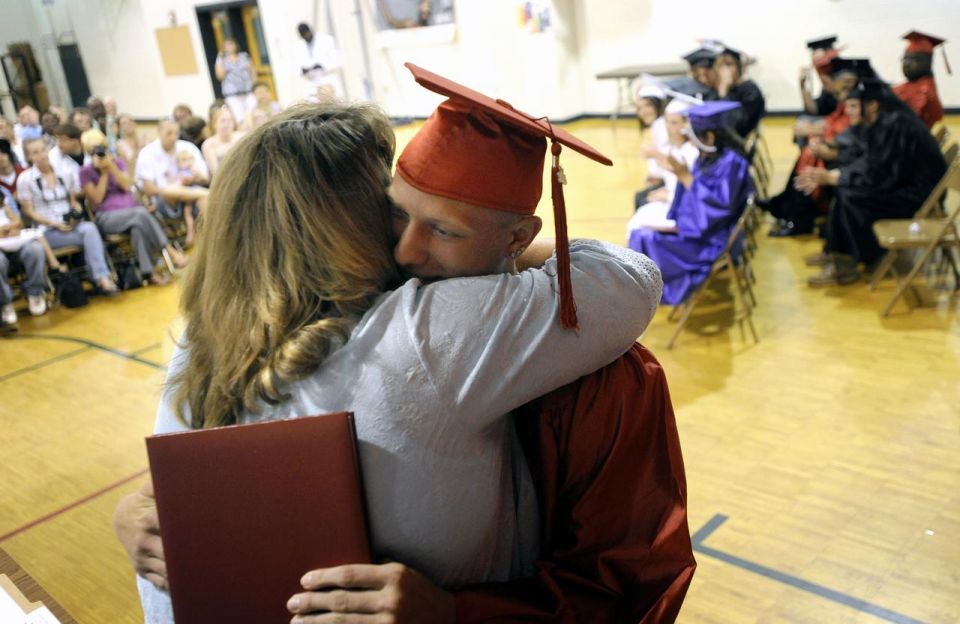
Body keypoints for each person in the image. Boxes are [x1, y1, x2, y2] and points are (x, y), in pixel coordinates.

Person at [117, 70, 687, 622]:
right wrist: (513, 255)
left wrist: (143, 505)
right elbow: (628, 280)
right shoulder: (421, 332)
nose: (406, 253)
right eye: (392, 213)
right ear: (343, 227)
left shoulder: (199, 338)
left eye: (443, 228)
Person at [799, 78, 947, 285]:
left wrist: (836, 177)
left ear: (872, 105)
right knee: (844, 189)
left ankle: (852, 262)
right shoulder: (885, 121)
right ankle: (837, 255)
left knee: (850, 195)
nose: (847, 111)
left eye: (853, 106)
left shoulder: (894, 125)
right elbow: (872, 163)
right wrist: (839, 175)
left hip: (918, 197)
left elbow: (882, 174)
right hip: (905, 186)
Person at [628, 101, 753, 306]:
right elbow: (691, 202)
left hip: (713, 240)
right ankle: (647, 294)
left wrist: (685, 177)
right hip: (698, 228)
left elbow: (718, 209)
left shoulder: (732, 164)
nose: (692, 142)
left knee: (643, 238)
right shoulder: (706, 158)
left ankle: (647, 297)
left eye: (694, 137)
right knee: (641, 233)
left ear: (710, 137)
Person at [761, 58, 866, 237]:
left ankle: (799, 216)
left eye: (848, 84)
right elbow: (829, 120)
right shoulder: (844, 101)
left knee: (811, 160)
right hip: (842, 153)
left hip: (852, 166)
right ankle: (784, 205)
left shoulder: (860, 106)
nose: (843, 90)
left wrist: (829, 150)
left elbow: (852, 138)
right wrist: (821, 139)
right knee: (808, 153)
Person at [79, 129, 188, 285]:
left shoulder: (118, 163)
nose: (99, 153)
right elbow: (96, 199)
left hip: (132, 213)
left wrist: (111, 168)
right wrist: (103, 174)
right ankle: (170, 251)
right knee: (141, 213)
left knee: (138, 227)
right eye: (94, 150)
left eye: (101, 148)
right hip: (107, 217)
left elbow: (126, 185)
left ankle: (149, 273)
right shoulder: (85, 172)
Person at [16, 138, 119, 299]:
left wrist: (75, 213)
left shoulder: (63, 172)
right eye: (35, 152)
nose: (41, 155)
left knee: (90, 228)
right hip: (46, 231)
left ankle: (101, 278)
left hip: (69, 225)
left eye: (43, 150)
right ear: (29, 157)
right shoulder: (25, 179)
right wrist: (53, 223)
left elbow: (73, 201)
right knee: (84, 232)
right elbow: (29, 212)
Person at [135, 118, 209, 247]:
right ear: (159, 132)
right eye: (168, 133)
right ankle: (207, 194)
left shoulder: (187, 147)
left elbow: (205, 178)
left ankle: (213, 239)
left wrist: (194, 177)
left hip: (192, 194)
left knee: (202, 200)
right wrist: (178, 188)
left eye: (176, 133)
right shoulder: (147, 153)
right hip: (164, 201)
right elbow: (150, 189)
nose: (173, 137)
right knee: (167, 190)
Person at [631, 97, 701, 227]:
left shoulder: (693, 152)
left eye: (674, 123)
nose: (668, 128)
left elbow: (694, 192)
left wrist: (668, 196)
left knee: (639, 223)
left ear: (687, 126)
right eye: (667, 122)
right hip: (672, 198)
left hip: (684, 210)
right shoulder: (675, 147)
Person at [1, 193, 59, 325]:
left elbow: (18, 222)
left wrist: (12, 227)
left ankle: (35, 292)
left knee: (35, 249)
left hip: (13, 240)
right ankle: (5, 303)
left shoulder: (3, 201)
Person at [892, 31, 947, 129]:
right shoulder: (901, 87)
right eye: (905, 59)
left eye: (913, 59)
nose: (906, 64)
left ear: (927, 63)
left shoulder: (926, 91)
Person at [709, 46, 766, 139]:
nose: (725, 70)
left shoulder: (749, 89)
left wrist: (724, 93)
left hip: (738, 140)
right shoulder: (717, 89)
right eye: (720, 66)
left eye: (729, 65)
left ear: (738, 67)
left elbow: (737, 123)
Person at [296, 22, 343, 101]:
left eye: (306, 34)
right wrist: (303, 70)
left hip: (327, 80)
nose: (306, 38)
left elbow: (337, 61)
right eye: (303, 36)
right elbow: (297, 68)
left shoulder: (326, 40)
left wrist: (322, 66)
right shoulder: (299, 47)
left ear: (310, 31)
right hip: (311, 84)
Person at [214, 37, 257, 124]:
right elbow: (220, 76)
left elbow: (253, 72)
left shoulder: (244, 56)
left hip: (248, 91)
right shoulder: (221, 59)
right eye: (226, 45)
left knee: (254, 114)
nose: (229, 47)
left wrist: (255, 87)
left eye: (231, 44)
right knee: (239, 119)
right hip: (232, 94)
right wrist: (221, 59)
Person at [801, 35, 840, 117]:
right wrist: (802, 85)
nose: (819, 72)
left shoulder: (844, 79)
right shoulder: (825, 89)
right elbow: (815, 110)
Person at [200, 107, 243, 177]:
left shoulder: (242, 137)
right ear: (214, 124)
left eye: (230, 120)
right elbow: (215, 172)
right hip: (224, 179)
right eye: (223, 121)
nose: (226, 124)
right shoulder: (208, 144)